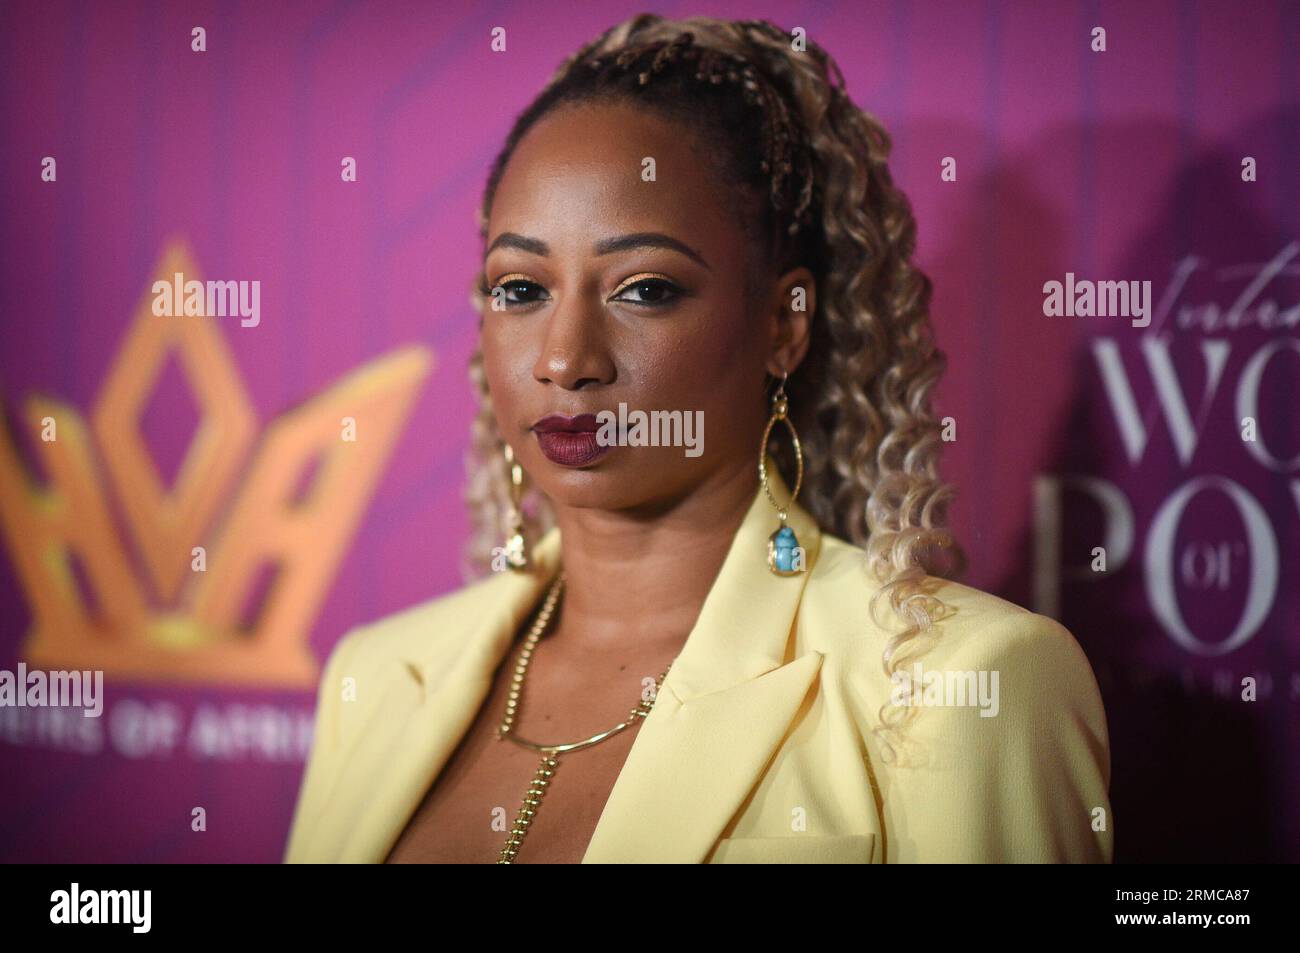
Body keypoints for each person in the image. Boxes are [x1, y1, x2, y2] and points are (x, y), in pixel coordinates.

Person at [284, 13, 1113, 864]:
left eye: (644, 289)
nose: (566, 359)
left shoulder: (961, 684)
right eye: (522, 288)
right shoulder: (376, 677)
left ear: (784, 325)